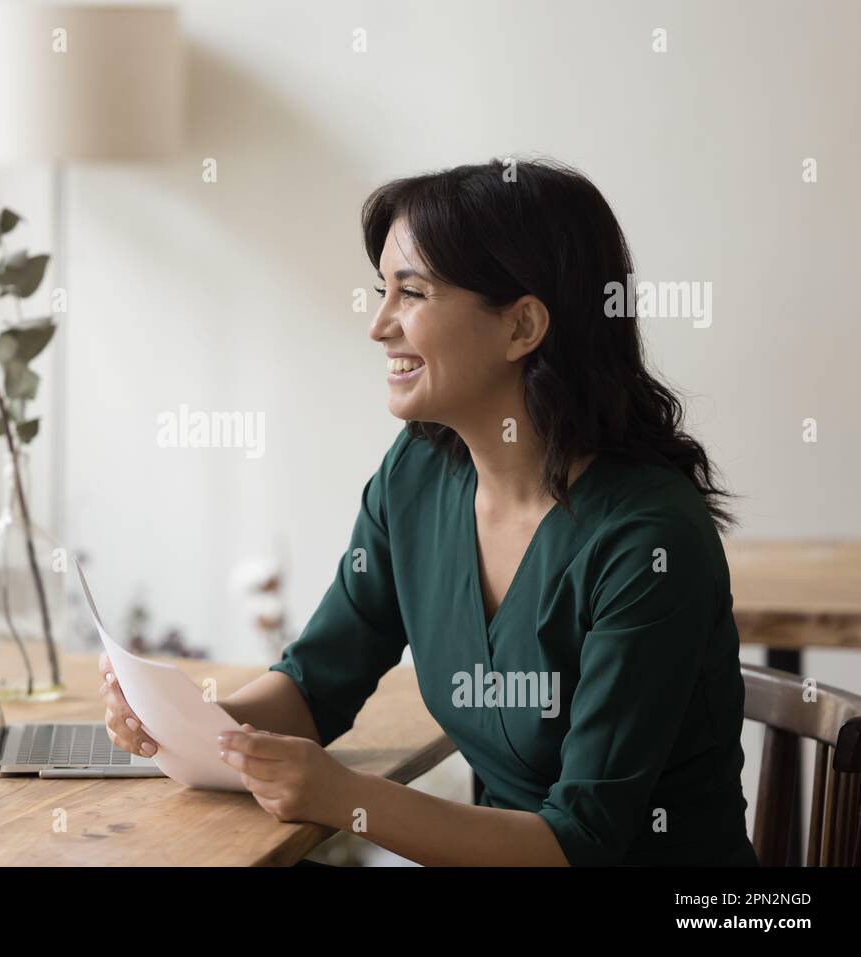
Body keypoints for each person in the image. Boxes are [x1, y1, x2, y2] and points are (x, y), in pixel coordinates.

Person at [100, 158, 758, 866]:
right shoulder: (417, 473)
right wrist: (195, 725)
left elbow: (580, 842)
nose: (379, 325)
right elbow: (316, 683)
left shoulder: (647, 539)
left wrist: (343, 795)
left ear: (521, 326)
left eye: (410, 292)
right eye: (382, 291)